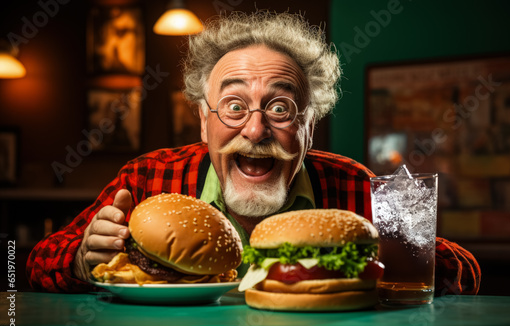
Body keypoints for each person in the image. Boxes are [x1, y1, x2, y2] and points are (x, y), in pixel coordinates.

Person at [27, 11, 480, 296]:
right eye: (234, 106)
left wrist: (378, 260)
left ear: (310, 124)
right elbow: (35, 261)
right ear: (203, 119)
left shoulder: (354, 185)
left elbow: (466, 269)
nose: (256, 128)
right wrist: (82, 260)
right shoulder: (147, 178)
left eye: (281, 108)